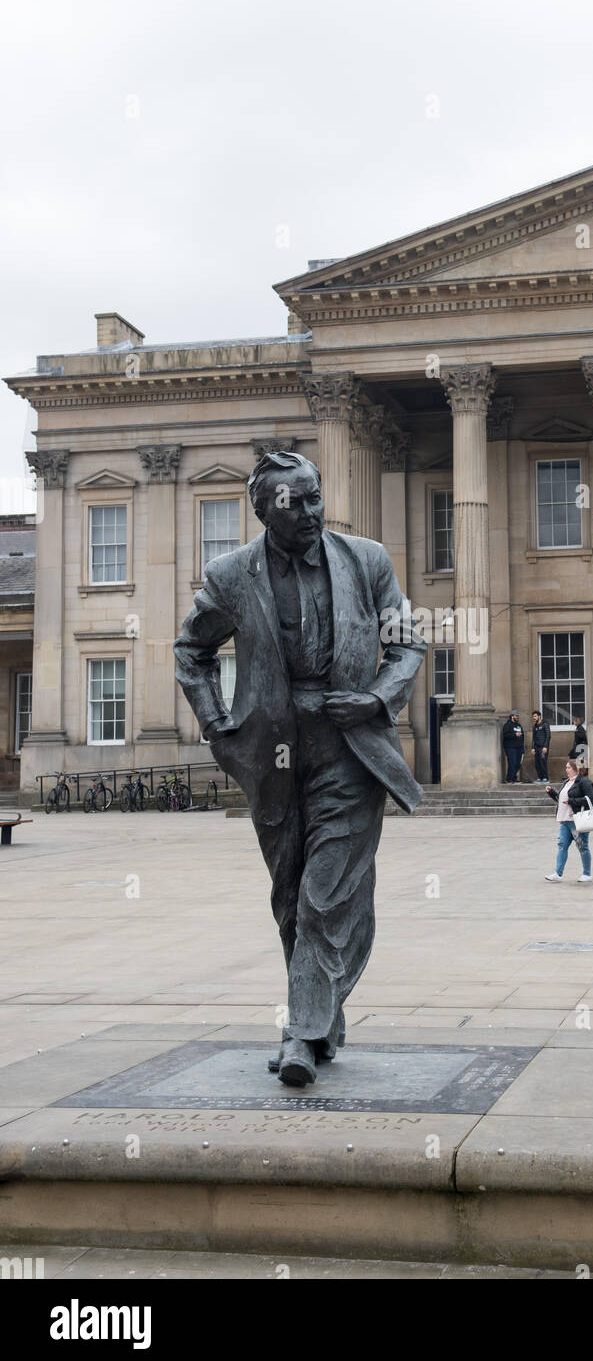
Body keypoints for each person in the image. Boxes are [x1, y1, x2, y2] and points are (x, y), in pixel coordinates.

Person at [174, 451, 426, 1087]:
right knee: (290, 896)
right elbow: (191, 650)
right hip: (273, 753)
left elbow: (407, 641)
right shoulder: (230, 575)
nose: (312, 511)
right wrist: (217, 725)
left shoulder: (366, 560)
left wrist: (375, 697)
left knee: (323, 895)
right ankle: (321, 1023)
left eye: (315, 497)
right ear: (263, 512)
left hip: (349, 749)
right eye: (295, 503)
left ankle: (298, 1035)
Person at [542, 758, 593, 882]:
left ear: (576, 769)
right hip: (565, 821)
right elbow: (561, 801)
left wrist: (572, 801)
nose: (566, 770)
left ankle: (587, 874)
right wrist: (552, 793)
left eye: (568, 767)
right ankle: (558, 873)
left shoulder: (584, 782)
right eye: (566, 767)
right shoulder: (567, 782)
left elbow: (590, 798)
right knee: (562, 846)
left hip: (577, 821)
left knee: (582, 846)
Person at [502, 709, 525, 783]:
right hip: (510, 748)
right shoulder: (507, 725)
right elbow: (505, 735)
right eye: (516, 716)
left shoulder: (519, 725)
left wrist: (522, 747)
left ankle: (514, 778)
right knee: (512, 763)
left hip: (519, 748)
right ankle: (510, 779)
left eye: (518, 716)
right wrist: (515, 735)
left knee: (518, 764)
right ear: (512, 716)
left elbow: (522, 736)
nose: (517, 717)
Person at [531, 710, 551, 782]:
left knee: (543, 762)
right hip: (536, 747)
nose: (534, 718)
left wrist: (545, 746)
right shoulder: (534, 726)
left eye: (535, 716)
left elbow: (548, 736)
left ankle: (545, 777)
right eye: (533, 716)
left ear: (539, 716)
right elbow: (533, 738)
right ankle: (540, 777)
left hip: (543, 747)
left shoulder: (545, 724)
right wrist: (532, 748)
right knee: (537, 763)